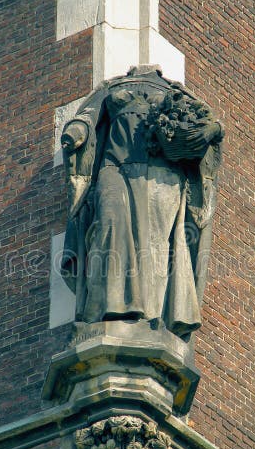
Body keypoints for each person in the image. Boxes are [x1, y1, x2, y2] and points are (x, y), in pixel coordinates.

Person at [60, 65, 222, 340]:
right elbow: (88, 117)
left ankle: (150, 315)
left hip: (161, 175)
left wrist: (210, 131)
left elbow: (208, 125)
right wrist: (76, 130)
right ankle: (101, 310)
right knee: (108, 224)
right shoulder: (111, 87)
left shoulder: (177, 93)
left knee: (155, 243)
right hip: (114, 167)